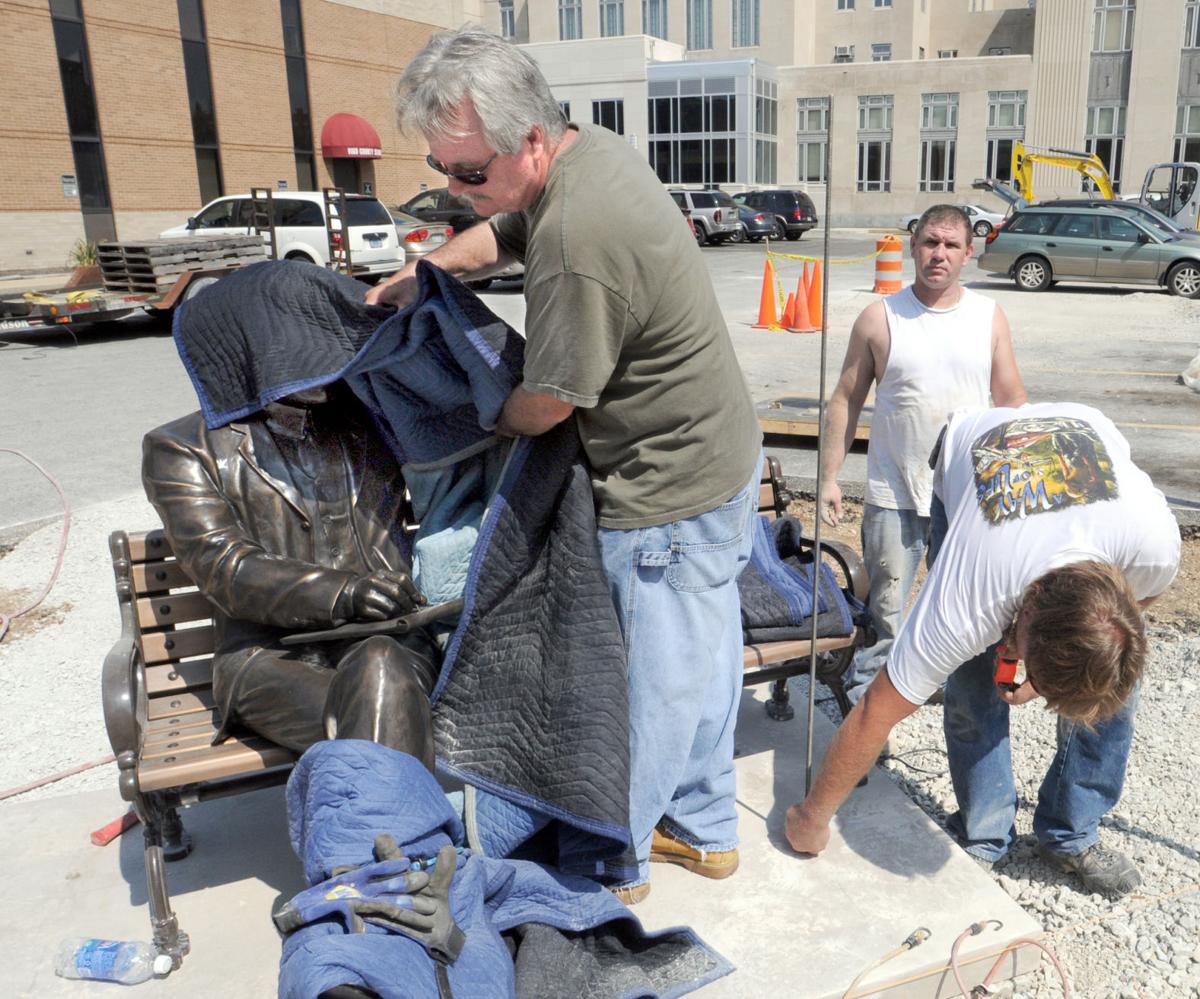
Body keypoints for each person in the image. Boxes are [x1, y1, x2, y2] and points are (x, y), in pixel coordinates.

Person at [367, 26, 762, 903]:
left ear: (533, 139)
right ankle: (705, 829)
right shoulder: (585, 155)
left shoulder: (580, 237)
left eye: (468, 173)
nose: (455, 190)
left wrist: (478, 413)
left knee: (645, 696)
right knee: (700, 662)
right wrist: (427, 271)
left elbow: (549, 401)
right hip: (715, 455)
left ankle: (614, 861)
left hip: (668, 488)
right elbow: (507, 226)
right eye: (442, 171)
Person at [786, 401, 1180, 897]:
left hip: (1083, 429)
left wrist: (1040, 678)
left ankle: (1071, 833)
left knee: (1110, 683)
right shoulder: (970, 597)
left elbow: (1139, 606)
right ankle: (986, 831)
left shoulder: (1153, 549)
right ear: (1022, 616)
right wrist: (811, 816)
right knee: (974, 683)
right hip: (970, 449)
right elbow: (875, 713)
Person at [142, 382, 442, 769]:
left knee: (381, 666)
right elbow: (223, 567)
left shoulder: (378, 419)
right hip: (268, 653)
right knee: (378, 699)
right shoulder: (182, 446)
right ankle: (404, 827)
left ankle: (377, 829)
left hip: (390, 634)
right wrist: (346, 591)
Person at [819, 205, 1026, 702]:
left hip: (965, 499)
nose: (939, 254)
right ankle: (868, 714)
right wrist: (828, 477)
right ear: (913, 246)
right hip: (894, 493)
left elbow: (1012, 399)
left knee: (963, 611)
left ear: (968, 254)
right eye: (930, 242)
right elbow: (845, 399)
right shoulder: (880, 318)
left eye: (951, 245)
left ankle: (954, 695)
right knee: (885, 614)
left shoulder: (988, 318)